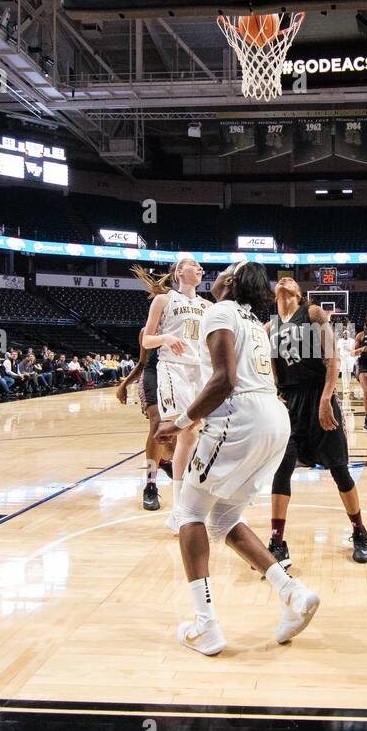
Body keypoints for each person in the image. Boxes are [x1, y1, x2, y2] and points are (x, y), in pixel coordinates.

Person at [155, 262, 320, 657]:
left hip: (241, 417)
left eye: (223, 270)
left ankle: (206, 626)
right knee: (224, 519)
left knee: (189, 513)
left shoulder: (220, 311)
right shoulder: (254, 322)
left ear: (230, 281)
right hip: (273, 419)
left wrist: (181, 421)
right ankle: (292, 592)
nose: (212, 274)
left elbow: (224, 380)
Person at [267, 277, 367, 568]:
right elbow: (273, 369)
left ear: (299, 293)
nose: (285, 279)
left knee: (339, 469)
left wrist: (326, 399)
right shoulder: (270, 327)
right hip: (290, 404)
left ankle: (360, 531)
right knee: (282, 469)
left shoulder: (312, 313)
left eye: (292, 280)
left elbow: (333, 359)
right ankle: (277, 542)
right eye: (282, 279)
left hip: (318, 396)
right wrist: (275, 393)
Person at [138, 258, 210, 533]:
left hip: (200, 371)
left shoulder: (208, 306)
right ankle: (180, 506)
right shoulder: (164, 300)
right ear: (179, 271)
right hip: (173, 369)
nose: (200, 268)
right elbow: (147, 340)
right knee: (183, 433)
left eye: (200, 266)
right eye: (193, 264)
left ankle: (184, 507)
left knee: (193, 437)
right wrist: (165, 338)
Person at [115, 335, 174, 512]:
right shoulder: (146, 331)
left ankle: (162, 460)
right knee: (157, 422)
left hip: (175, 377)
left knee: (171, 446)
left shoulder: (182, 324)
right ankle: (150, 486)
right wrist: (124, 384)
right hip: (152, 376)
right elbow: (142, 363)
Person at [336, 324, 356, 395]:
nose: (346, 334)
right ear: (343, 334)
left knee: (349, 372)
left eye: (347, 333)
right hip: (342, 358)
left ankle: (348, 385)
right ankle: (345, 387)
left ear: (349, 334)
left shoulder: (352, 341)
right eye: (344, 333)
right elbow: (338, 350)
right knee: (344, 372)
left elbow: (354, 350)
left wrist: (349, 349)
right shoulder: (340, 341)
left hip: (350, 358)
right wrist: (338, 357)